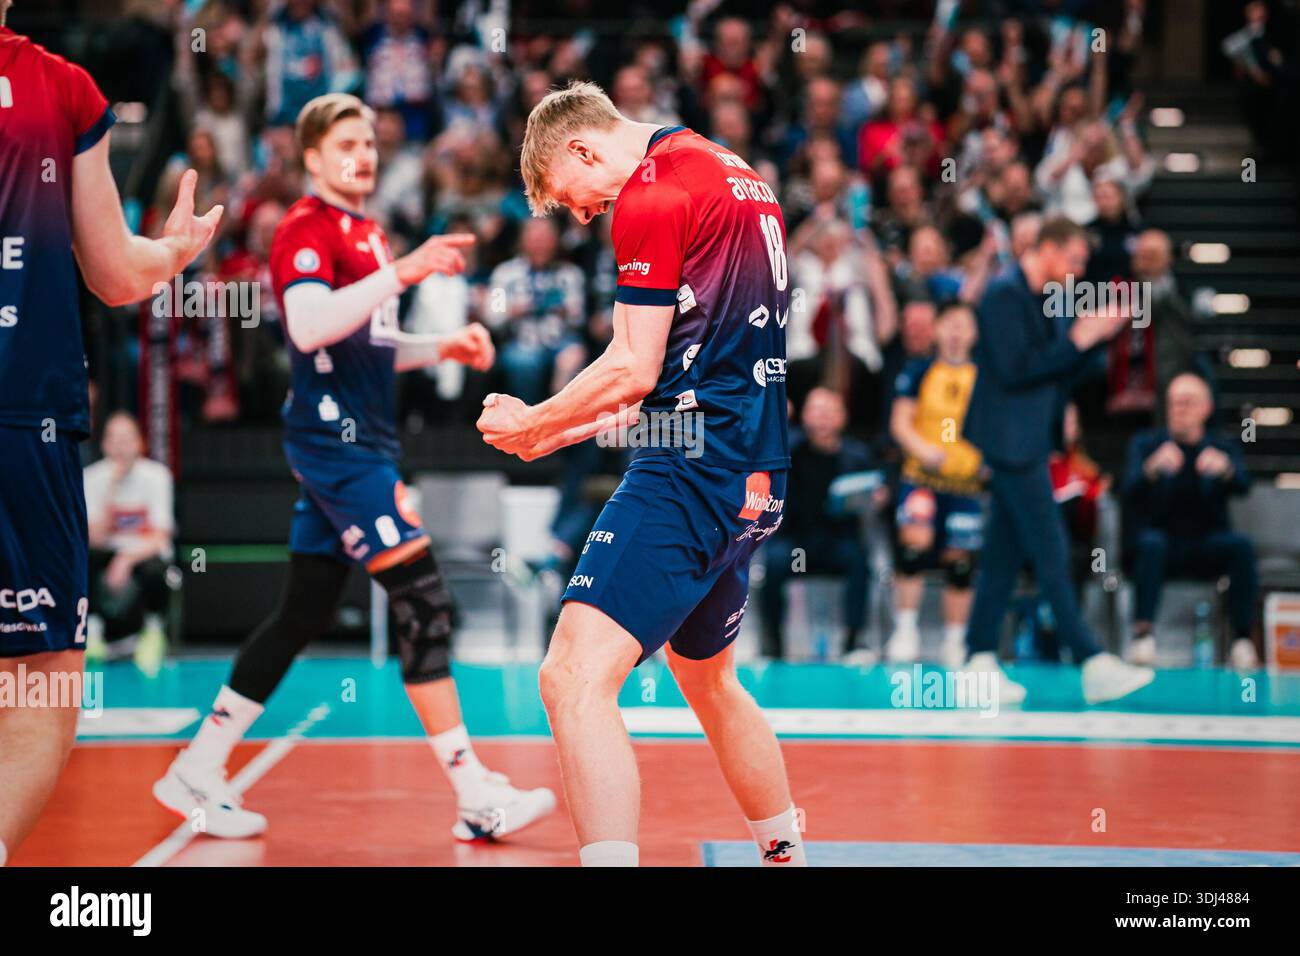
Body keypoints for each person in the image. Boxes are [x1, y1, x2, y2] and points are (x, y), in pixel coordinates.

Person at [154, 93, 555, 842]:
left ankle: (197, 766)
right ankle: (475, 791)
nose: (363, 153)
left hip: (362, 443)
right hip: (336, 450)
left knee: (302, 610)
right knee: (426, 604)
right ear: (312, 157)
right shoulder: (305, 228)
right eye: (346, 141)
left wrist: (440, 349)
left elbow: (361, 339)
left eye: (370, 141)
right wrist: (405, 270)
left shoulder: (366, 234)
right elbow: (308, 329)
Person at [478, 81, 805, 867]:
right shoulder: (734, 170)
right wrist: (558, 436)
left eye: (573, 198)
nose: (585, 217)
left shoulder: (651, 194)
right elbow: (691, 368)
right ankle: (788, 853)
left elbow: (633, 365)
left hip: (692, 470)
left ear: (584, 148)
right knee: (709, 680)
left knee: (571, 678)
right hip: (755, 472)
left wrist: (532, 419)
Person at [0, 1, 222, 865]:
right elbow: (114, 271)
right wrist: (173, 252)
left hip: (34, 412)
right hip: (28, 412)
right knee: (44, 673)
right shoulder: (60, 89)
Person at [962, 216, 1154, 705]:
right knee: (1050, 550)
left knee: (1002, 558)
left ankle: (977, 661)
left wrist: (1101, 336)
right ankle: (1091, 659)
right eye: (1071, 260)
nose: (1075, 271)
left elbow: (1059, 368)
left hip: (1027, 440)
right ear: (1046, 249)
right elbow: (1016, 370)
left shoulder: (1046, 295)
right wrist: (1079, 341)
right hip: (1008, 442)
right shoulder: (1004, 294)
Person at [1123, 374, 1259, 670]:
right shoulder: (1147, 444)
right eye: (1174, 403)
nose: (1179, 409)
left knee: (1242, 547)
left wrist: (1225, 470)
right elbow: (1126, 490)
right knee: (1151, 543)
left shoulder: (1221, 446)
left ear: (1205, 408)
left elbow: (1245, 485)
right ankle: (1143, 635)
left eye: (1187, 402)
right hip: (1159, 546)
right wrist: (1151, 468)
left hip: (1205, 544)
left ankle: (1242, 640)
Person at [886, 302, 984, 668]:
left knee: (960, 563)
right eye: (950, 325)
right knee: (912, 550)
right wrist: (922, 449)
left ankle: (955, 639)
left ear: (975, 334)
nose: (957, 333)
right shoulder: (919, 371)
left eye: (965, 325)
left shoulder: (984, 377)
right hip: (922, 479)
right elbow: (900, 422)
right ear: (937, 330)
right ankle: (905, 629)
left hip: (966, 485)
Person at [760, 388, 876, 663]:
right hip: (796, 544)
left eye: (830, 412)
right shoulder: (788, 450)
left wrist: (875, 499)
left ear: (843, 417)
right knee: (773, 564)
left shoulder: (857, 456)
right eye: (817, 411)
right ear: (804, 415)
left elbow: (876, 492)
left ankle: (853, 642)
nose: (823, 419)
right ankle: (773, 642)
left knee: (860, 561)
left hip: (837, 542)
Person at [83, 412, 176, 673]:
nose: (121, 446)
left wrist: (126, 559)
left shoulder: (158, 476)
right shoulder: (91, 478)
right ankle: (93, 631)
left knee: (158, 568)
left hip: (143, 553)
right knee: (83, 559)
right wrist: (112, 487)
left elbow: (160, 535)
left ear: (140, 443)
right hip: (107, 551)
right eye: (114, 439)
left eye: (127, 439)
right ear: (104, 444)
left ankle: (153, 632)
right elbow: (95, 536)